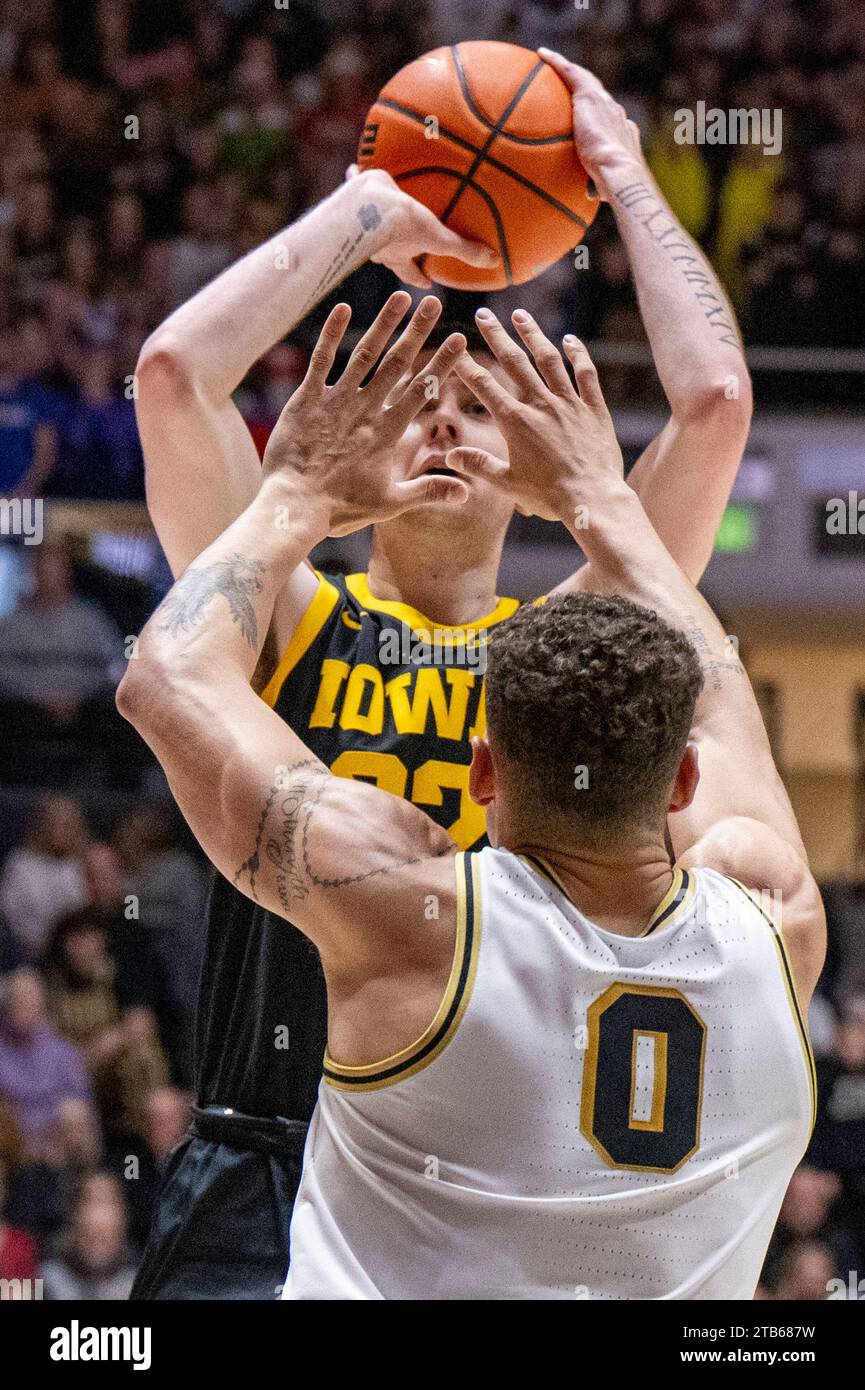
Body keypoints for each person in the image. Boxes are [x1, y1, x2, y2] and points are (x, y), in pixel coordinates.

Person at [131, 54, 753, 1298]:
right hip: (267, 1136)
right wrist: (372, 208)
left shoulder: (563, 659)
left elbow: (718, 402)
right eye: (418, 397)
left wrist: (621, 173)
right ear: (352, 426)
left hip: (469, 1152)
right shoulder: (285, 608)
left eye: (476, 405)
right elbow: (173, 374)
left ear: (530, 458)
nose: (445, 423)